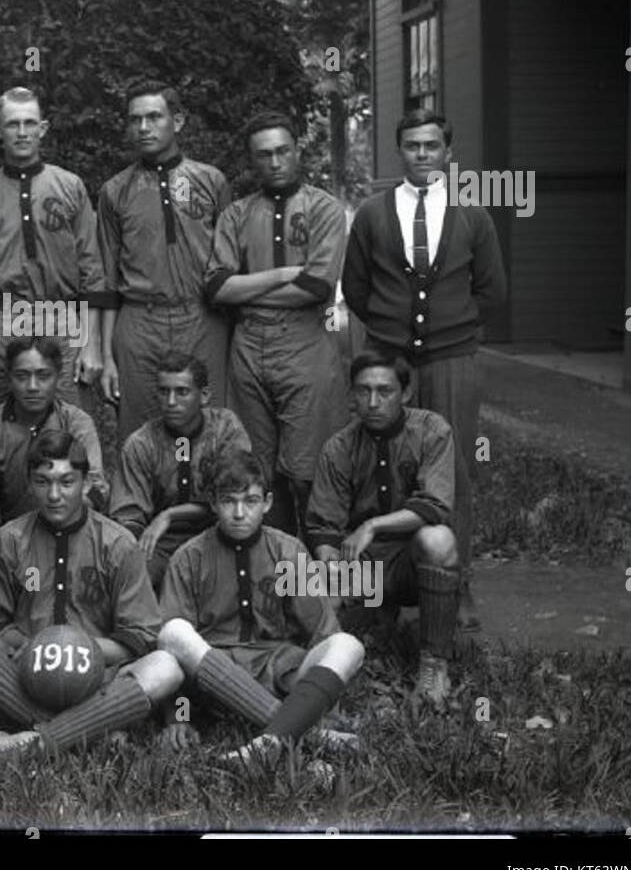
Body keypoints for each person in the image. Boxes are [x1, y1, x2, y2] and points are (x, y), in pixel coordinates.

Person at [342, 108, 507, 632]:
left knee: (454, 467)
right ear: (400, 152)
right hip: (390, 357)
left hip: (451, 358)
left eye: (431, 146)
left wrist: (450, 328)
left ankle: (454, 585)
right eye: (411, 146)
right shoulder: (372, 213)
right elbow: (356, 287)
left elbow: (492, 291)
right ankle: (383, 585)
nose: (421, 154)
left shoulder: (473, 216)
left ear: (447, 153)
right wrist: (391, 333)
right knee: (381, 461)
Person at [0, 430, 184, 761]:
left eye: (66, 482)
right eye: (42, 482)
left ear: (87, 483)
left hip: (101, 680)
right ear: (30, 484)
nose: (54, 494)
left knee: (167, 667)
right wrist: (32, 649)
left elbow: (140, 636)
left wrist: (74, 650)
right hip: (23, 672)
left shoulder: (119, 544)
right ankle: (91, 731)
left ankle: (31, 741)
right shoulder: (8, 540)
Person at [157, 450, 364, 765]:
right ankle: (302, 732)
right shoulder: (189, 558)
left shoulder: (288, 550)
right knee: (173, 633)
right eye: (228, 501)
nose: (239, 513)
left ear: (267, 503)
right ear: (213, 504)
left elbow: (322, 633)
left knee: (347, 645)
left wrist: (329, 712)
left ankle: (271, 739)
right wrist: (179, 716)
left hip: (279, 673)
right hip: (213, 680)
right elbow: (172, 656)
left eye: (250, 501)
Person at [204, 111, 348, 536]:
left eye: (283, 151)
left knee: (309, 467)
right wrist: (284, 275)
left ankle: (319, 570)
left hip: (305, 341)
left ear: (297, 150)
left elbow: (317, 287)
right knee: (256, 467)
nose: (275, 162)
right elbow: (215, 287)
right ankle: (272, 569)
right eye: (263, 155)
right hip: (248, 346)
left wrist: (245, 288)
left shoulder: (323, 208)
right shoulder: (236, 214)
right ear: (252, 161)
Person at [306, 350, 461, 708]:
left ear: (405, 393)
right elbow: (323, 528)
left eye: (384, 391)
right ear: (352, 395)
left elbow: (435, 506)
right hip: (360, 566)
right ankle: (358, 633)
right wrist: (332, 573)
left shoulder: (433, 430)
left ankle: (434, 665)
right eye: (363, 391)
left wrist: (373, 525)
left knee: (438, 539)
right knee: (294, 586)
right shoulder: (338, 447)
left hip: (412, 562)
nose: (373, 402)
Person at [98, 81, 232, 444]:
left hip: (202, 317)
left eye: (154, 117)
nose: (143, 127)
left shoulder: (210, 181)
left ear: (178, 121)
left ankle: (207, 498)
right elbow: (107, 280)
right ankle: (143, 501)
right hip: (140, 321)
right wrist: (105, 354)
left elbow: (230, 264)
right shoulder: (115, 192)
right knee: (142, 430)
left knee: (210, 425)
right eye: (135, 119)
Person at [0, 86, 109, 409]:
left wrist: (92, 343)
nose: (21, 132)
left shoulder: (69, 186)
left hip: (62, 317)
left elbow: (92, 269)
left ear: (42, 129)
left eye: (30, 123)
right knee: (0, 421)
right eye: (12, 124)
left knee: (68, 421)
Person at [109, 352, 253, 587]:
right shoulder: (142, 443)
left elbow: (234, 494)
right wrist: (137, 551)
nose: (171, 402)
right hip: (160, 542)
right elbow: (128, 514)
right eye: (164, 392)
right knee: (132, 572)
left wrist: (170, 515)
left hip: (218, 535)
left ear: (204, 395)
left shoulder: (226, 428)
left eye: (182, 392)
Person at [0, 336, 108, 522]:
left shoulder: (76, 422)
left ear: (57, 377)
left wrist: (55, 513)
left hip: (65, 526)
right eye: (22, 376)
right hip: (7, 536)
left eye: (43, 376)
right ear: (9, 379)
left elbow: (97, 489)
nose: (32, 387)